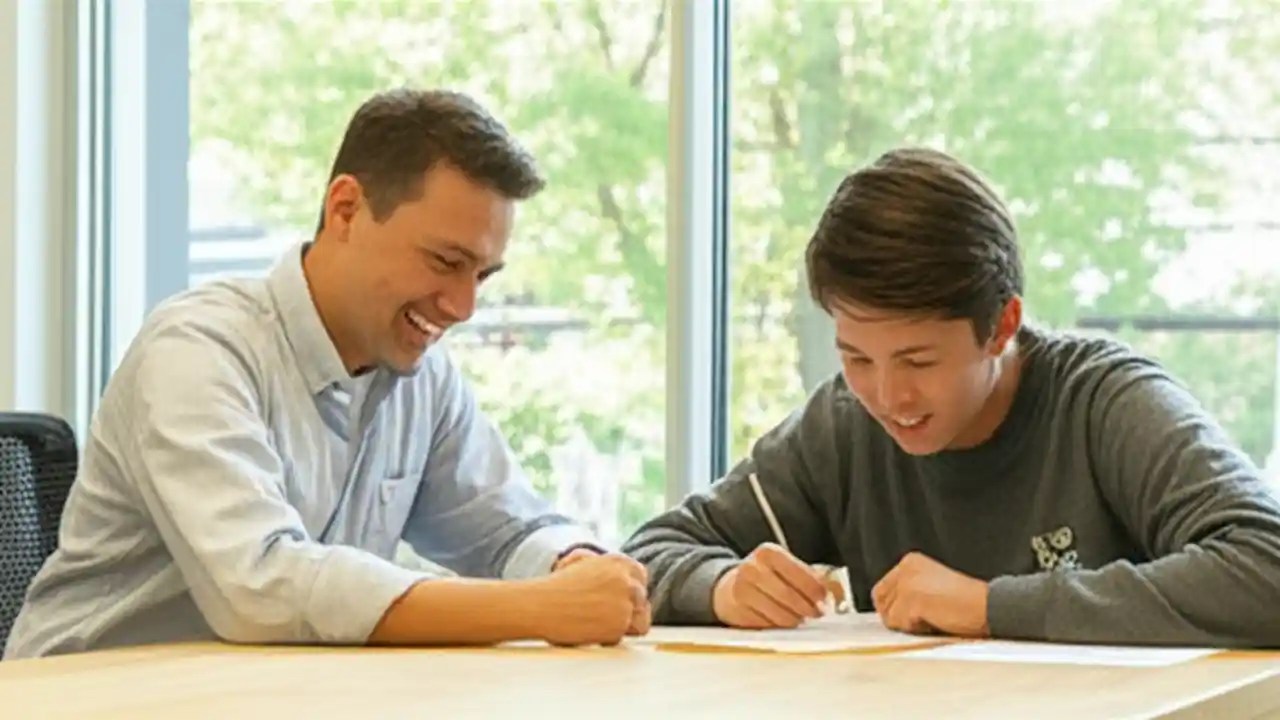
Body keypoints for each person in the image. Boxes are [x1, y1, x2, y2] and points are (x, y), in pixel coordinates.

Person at [5, 89, 650, 660]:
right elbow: (261, 587)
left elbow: (508, 529)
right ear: (345, 209)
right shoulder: (198, 350)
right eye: (444, 262)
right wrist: (539, 608)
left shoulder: (423, 378)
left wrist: (573, 566)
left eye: (482, 275)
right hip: (83, 698)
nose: (462, 307)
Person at [623, 147, 1280, 647]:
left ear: (1002, 325)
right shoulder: (844, 424)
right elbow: (646, 557)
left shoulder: (1104, 403)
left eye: (919, 360)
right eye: (856, 357)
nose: (888, 396)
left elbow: (1266, 566)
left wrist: (989, 606)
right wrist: (723, 587)